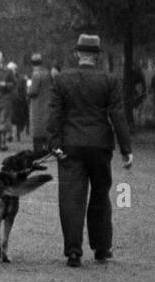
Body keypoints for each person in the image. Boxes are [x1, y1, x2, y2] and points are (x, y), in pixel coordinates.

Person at [47, 34, 132, 268]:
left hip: (70, 145)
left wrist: (54, 143)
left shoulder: (62, 79)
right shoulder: (110, 80)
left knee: (71, 199)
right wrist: (126, 149)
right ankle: (102, 248)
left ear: (77, 54)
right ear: (96, 56)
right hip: (99, 145)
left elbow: (54, 113)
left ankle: (74, 252)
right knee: (100, 196)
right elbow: (117, 115)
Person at [27, 53, 53, 155]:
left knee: (37, 126)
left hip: (37, 104)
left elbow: (33, 91)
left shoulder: (36, 74)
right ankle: (47, 148)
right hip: (47, 102)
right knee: (46, 126)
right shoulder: (47, 72)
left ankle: (38, 150)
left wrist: (27, 91)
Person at [9, 61, 29, 142]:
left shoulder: (21, 78)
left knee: (19, 120)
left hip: (20, 101)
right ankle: (10, 135)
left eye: (12, 69)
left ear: (15, 70)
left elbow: (24, 90)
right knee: (10, 118)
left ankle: (18, 134)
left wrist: (24, 98)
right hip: (9, 101)